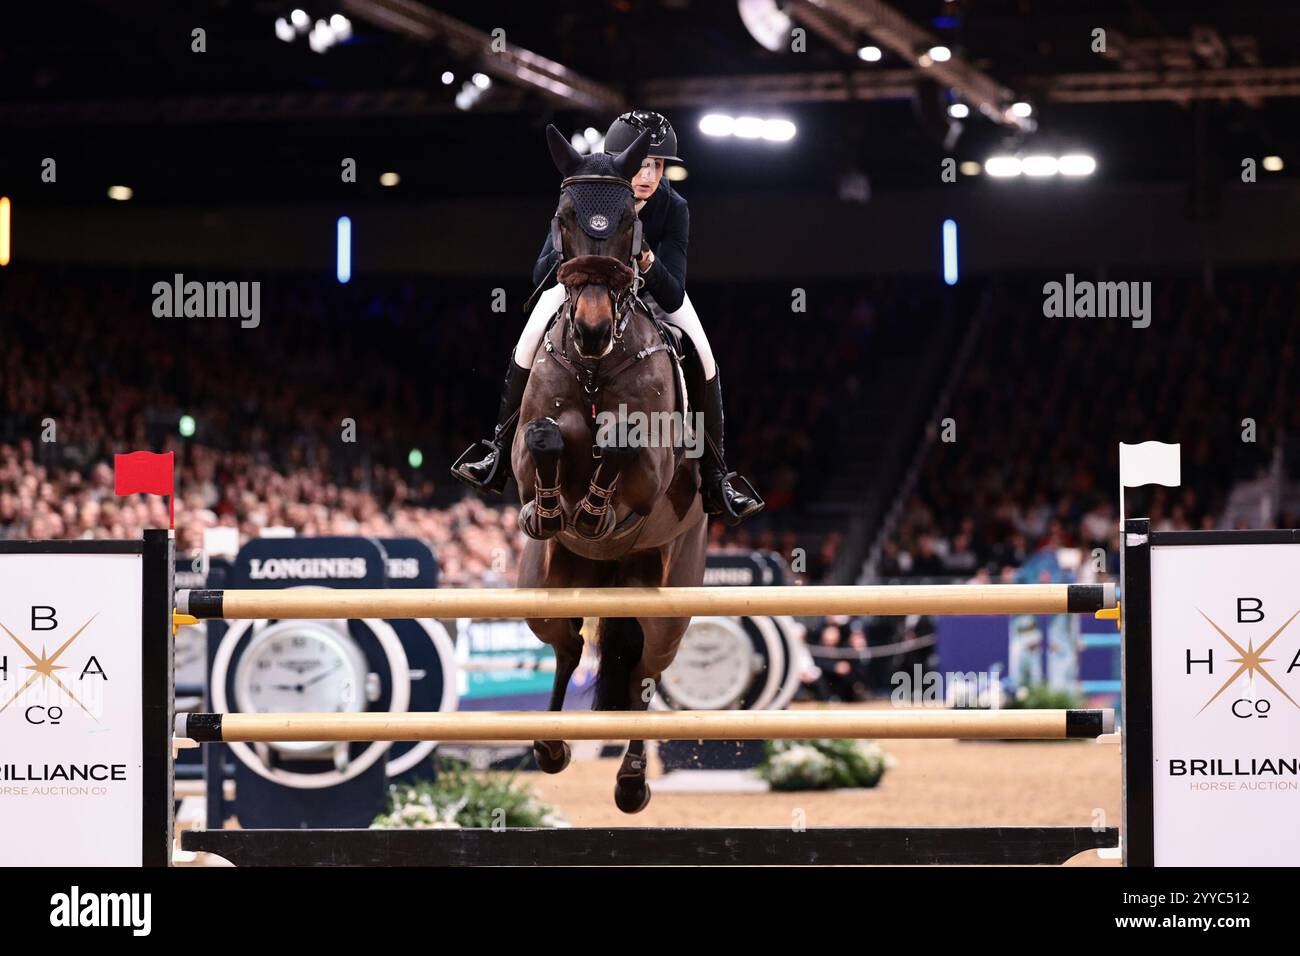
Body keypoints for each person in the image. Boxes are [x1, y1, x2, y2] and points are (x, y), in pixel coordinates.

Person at [452, 110, 763, 525]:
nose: (648, 175)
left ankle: (715, 475)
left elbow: (672, 289)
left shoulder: (673, 207)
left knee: (705, 357)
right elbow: (539, 272)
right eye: (641, 164)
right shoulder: (586, 191)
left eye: (657, 165)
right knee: (528, 338)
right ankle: (498, 449)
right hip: (584, 292)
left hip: (650, 298)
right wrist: (569, 254)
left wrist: (644, 258)